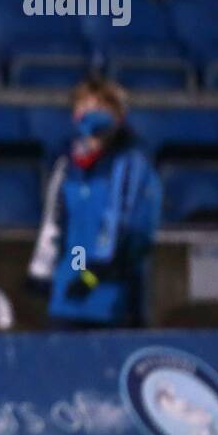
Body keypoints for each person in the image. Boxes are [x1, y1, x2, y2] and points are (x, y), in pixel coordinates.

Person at [28, 75, 161, 329]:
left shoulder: (133, 164)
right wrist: (41, 271)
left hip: (115, 299)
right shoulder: (67, 167)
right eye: (84, 107)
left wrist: (94, 274)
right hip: (67, 295)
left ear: (119, 116)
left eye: (101, 107)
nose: (92, 114)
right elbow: (54, 221)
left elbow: (132, 229)